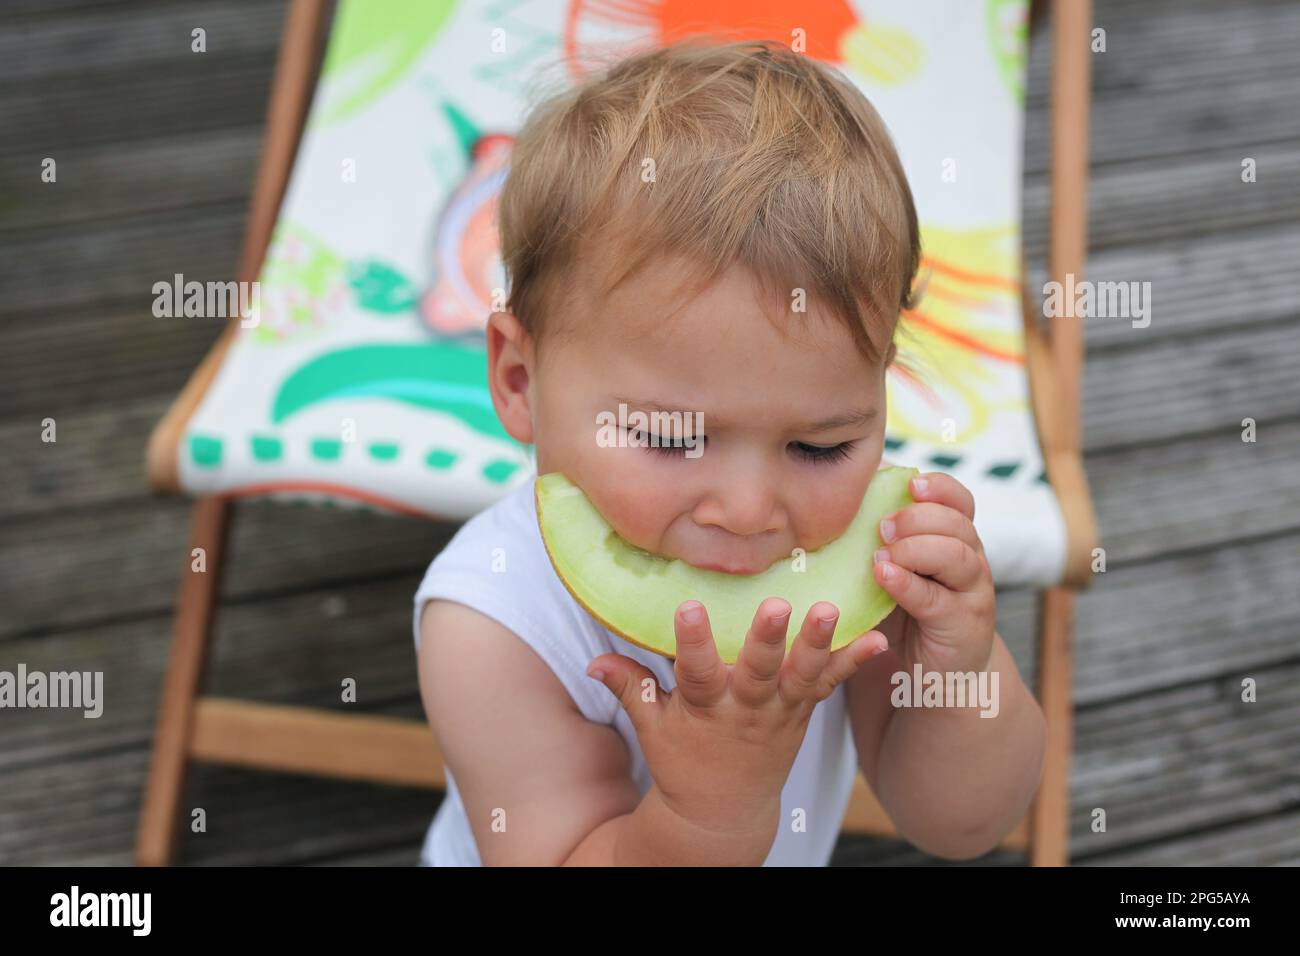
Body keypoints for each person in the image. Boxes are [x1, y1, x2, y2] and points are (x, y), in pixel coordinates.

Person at [412, 38, 1045, 866]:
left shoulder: (865, 569)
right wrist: (714, 804)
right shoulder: (495, 626)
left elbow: (959, 825)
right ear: (520, 378)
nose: (750, 512)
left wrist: (960, 669)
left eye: (822, 446)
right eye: (670, 439)